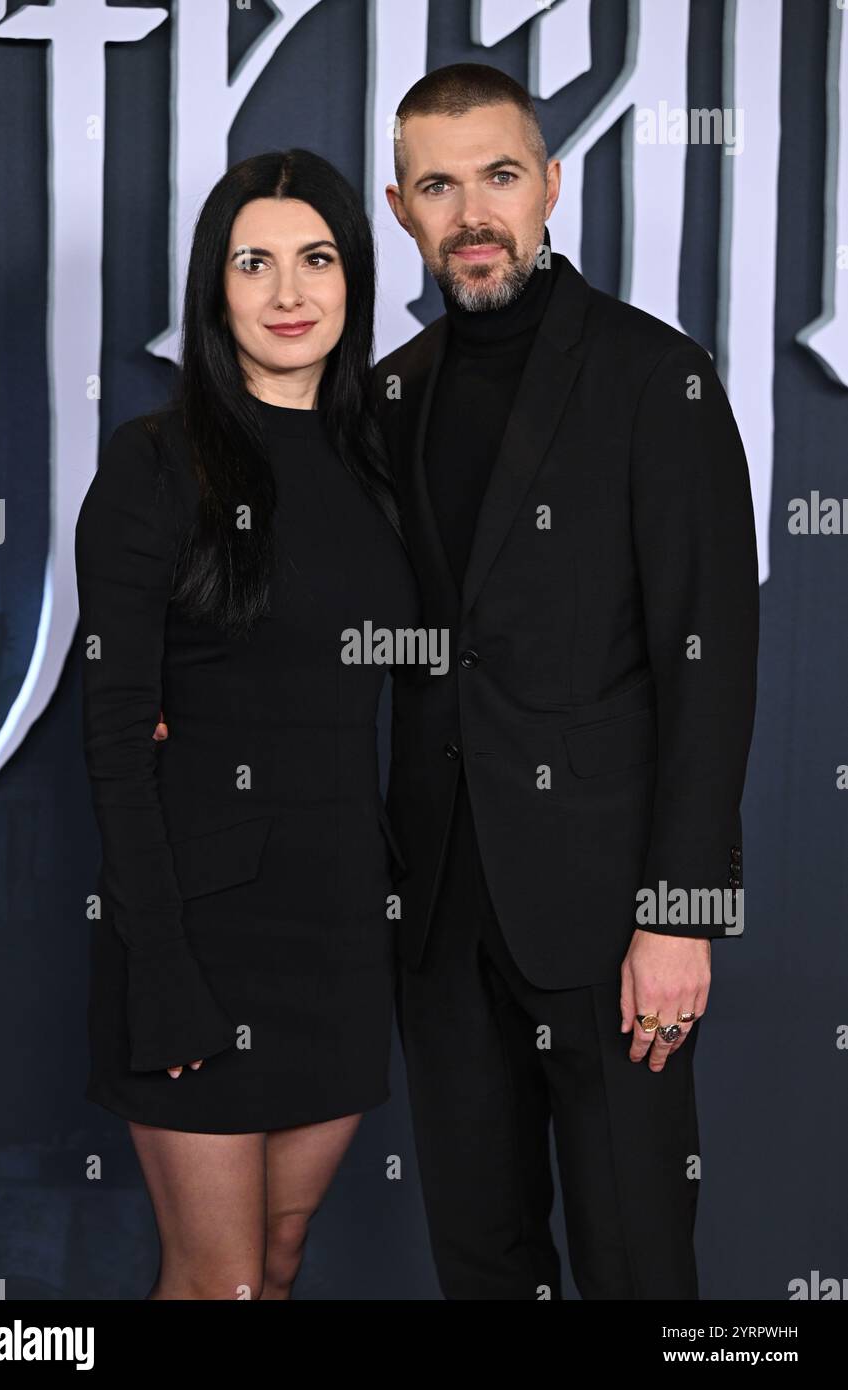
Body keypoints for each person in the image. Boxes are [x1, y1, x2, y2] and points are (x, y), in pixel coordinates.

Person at [373, 64, 759, 1299]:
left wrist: (680, 908)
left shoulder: (658, 376)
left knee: (636, 1260)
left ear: (550, 184)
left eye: (497, 175)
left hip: (608, 917)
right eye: (439, 185)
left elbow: (711, 653)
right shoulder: (387, 395)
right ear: (400, 210)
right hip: (436, 905)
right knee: (479, 1260)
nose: (471, 211)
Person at [74, 149, 417, 1300]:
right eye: (253, 262)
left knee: (275, 1263)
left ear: (353, 277)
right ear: (213, 291)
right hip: (197, 930)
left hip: (337, 925)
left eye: (315, 259)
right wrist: (160, 968)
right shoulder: (152, 463)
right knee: (215, 1279)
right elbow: (116, 732)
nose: (287, 292)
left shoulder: (382, 460)